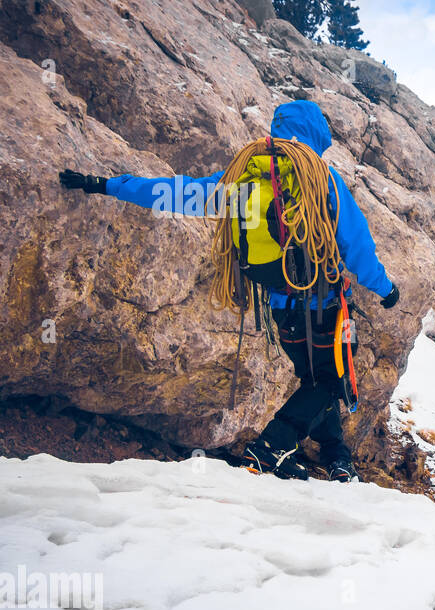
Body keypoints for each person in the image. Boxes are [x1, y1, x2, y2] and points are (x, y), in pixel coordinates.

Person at [58, 100, 399, 482]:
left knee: (316, 382)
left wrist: (108, 185)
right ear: (318, 135)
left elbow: (179, 194)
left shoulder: (245, 178)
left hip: (280, 309)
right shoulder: (322, 179)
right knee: (330, 381)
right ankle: (271, 445)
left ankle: (338, 459)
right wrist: (386, 289)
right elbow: (358, 248)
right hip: (324, 307)